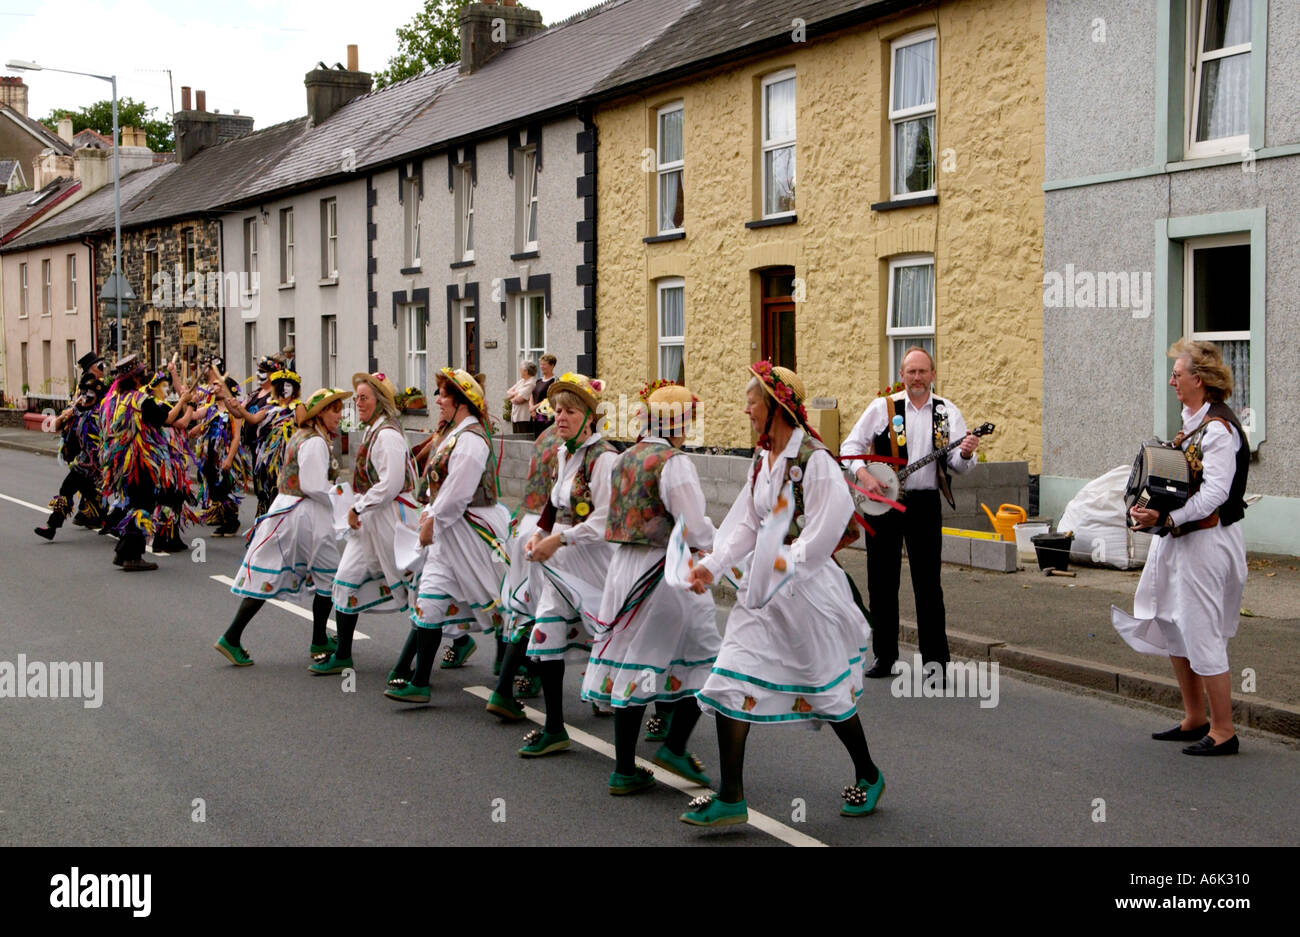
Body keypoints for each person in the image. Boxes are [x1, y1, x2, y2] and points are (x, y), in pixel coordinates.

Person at [683, 362, 883, 827]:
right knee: (730, 679)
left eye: (752, 401)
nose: (745, 409)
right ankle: (731, 796)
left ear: (774, 407)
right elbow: (749, 524)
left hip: (805, 592)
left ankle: (869, 773)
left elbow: (822, 536)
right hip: (761, 594)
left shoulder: (815, 462)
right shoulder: (763, 458)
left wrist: (778, 567)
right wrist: (711, 567)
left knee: (825, 690)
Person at [581, 381, 719, 795]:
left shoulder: (623, 458)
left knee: (633, 659)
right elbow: (693, 524)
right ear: (679, 422)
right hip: (664, 569)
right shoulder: (673, 462)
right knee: (708, 654)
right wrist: (718, 550)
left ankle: (625, 767)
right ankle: (674, 746)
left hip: (624, 567)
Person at [1112, 339, 1249, 756]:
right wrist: (1148, 508)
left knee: (1201, 629)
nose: (1172, 379)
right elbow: (1176, 483)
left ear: (1200, 380)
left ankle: (1224, 731)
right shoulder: (1192, 419)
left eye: (1178, 373)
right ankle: (1195, 718)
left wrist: (1167, 519)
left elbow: (1214, 495)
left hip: (1207, 542)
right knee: (1171, 620)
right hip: (1179, 540)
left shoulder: (1220, 429)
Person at [841, 346, 979, 679]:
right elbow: (849, 448)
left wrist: (965, 453)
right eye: (911, 372)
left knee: (928, 584)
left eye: (923, 371)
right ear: (901, 376)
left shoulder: (947, 412)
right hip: (884, 502)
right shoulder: (883, 407)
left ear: (933, 374)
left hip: (925, 504)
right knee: (882, 582)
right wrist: (864, 476)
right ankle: (884, 656)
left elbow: (960, 467)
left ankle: (935, 663)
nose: (917, 377)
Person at [385, 369, 510, 703]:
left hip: (473, 529)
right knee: (429, 600)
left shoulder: (470, 441)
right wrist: (432, 516)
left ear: (461, 402)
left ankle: (517, 673)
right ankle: (420, 682)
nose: (437, 400)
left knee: (501, 602)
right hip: (449, 530)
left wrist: (432, 519)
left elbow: (458, 494)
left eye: (442, 394)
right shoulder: (457, 434)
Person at [513, 372, 617, 756]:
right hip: (561, 564)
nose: (561, 417)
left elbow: (604, 521)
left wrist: (559, 538)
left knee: (617, 639)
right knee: (547, 634)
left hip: (593, 563)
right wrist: (541, 534)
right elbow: (553, 506)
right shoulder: (563, 453)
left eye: (570, 411)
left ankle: (664, 707)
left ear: (589, 417)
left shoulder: (604, 458)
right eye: (557, 410)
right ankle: (555, 727)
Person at [214, 386, 352, 667]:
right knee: (328, 575)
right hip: (304, 515)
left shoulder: (305, 436)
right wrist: (343, 497)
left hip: (289, 511)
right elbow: (314, 486)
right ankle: (317, 640)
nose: (340, 415)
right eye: (335, 409)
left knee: (272, 574)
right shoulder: (313, 441)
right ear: (321, 413)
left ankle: (233, 636)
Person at [312, 371, 421, 675]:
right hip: (372, 518)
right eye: (357, 397)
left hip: (390, 517)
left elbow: (391, 483)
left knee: (412, 583)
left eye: (365, 397)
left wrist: (358, 507)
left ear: (380, 401)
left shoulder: (386, 435)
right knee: (345, 580)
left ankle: (455, 638)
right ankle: (344, 653)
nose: (358, 403)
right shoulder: (375, 430)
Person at [100, 355, 195, 570]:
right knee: (142, 506)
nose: (144, 376)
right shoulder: (141, 401)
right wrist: (184, 400)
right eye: (141, 373)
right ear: (134, 378)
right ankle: (133, 557)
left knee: (135, 503)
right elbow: (169, 419)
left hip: (120, 463)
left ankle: (123, 552)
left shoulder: (115, 399)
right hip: (139, 462)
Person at [34, 374, 105, 540]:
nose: (85, 396)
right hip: (81, 463)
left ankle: (52, 526)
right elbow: (54, 427)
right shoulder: (77, 411)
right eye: (83, 393)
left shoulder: (98, 414)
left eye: (89, 394)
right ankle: (110, 523)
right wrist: (70, 412)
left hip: (91, 465)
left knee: (66, 490)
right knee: (91, 496)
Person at [530, 354, 557, 439]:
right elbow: (532, 394)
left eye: (544, 364)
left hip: (546, 417)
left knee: (544, 440)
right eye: (541, 364)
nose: (541, 366)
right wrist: (531, 409)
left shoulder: (554, 381)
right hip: (535, 416)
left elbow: (550, 398)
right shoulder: (539, 380)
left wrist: (534, 407)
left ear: (552, 366)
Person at [507, 361, 538, 435]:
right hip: (516, 417)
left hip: (524, 418)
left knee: (523, 440)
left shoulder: (531, 383)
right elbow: (508, 393)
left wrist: (514, 396)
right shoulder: (522, 381)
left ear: (526, 371)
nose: (520, 371)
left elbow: (518, 400)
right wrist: (516, 393)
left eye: (521, 369)